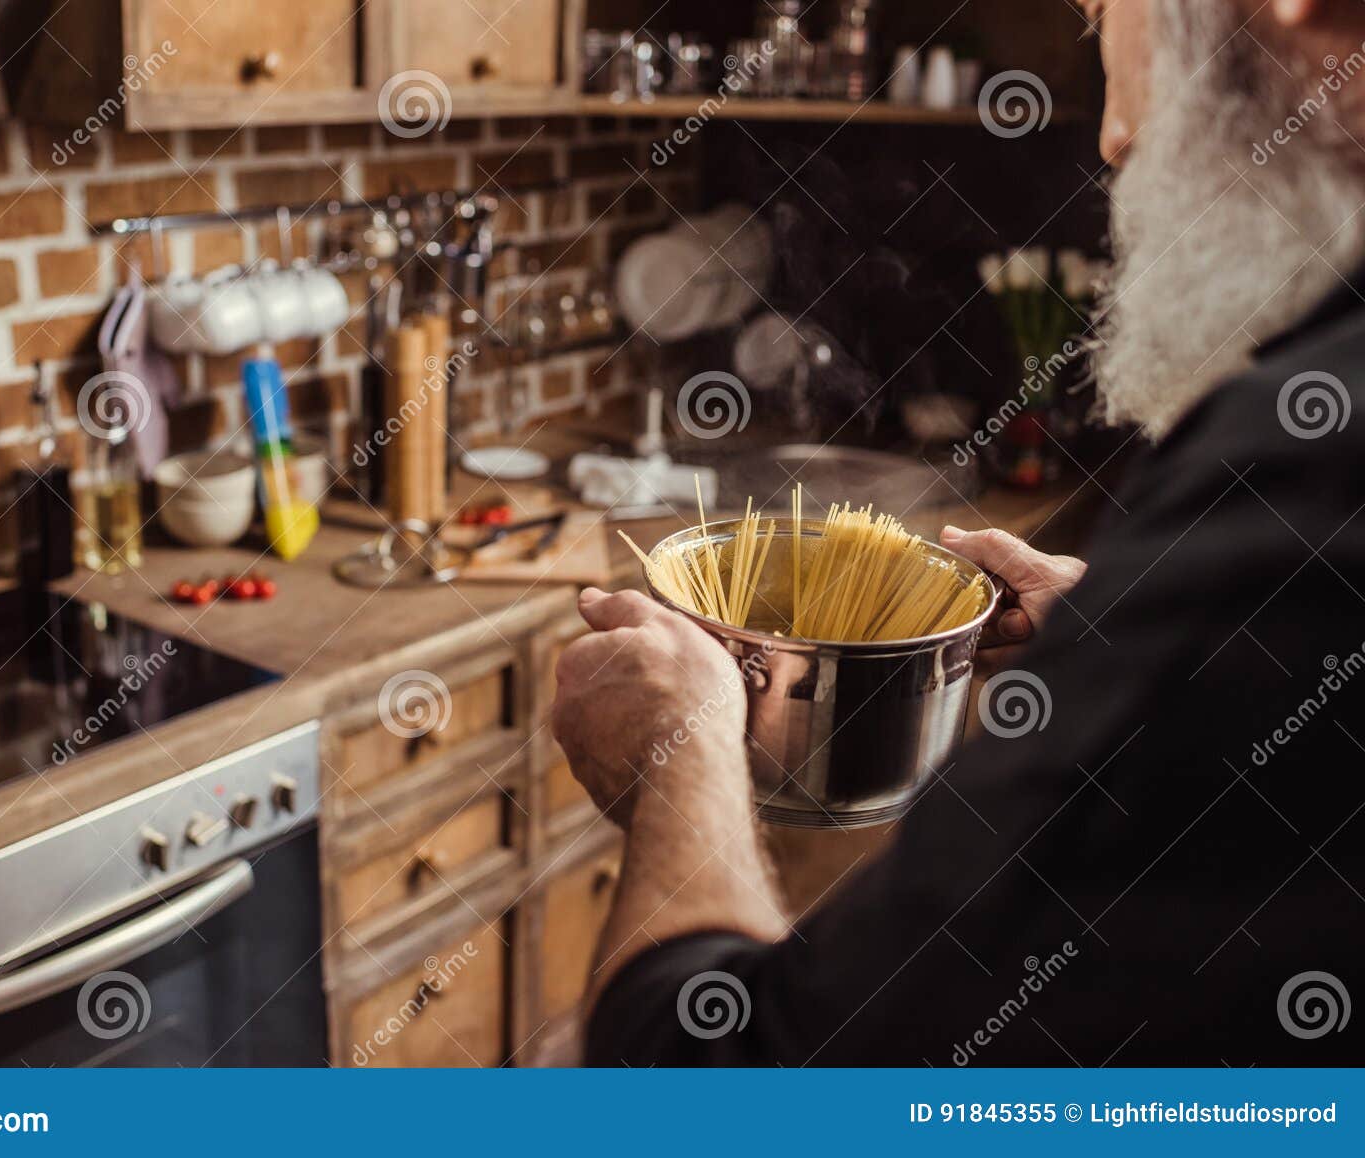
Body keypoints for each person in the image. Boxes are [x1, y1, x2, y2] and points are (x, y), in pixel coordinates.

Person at [551, 0, 1365, 1066]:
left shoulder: (1310, 456)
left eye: (1103, 13)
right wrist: (1134, 641)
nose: (1113, 137)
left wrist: (679, 751)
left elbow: (765, 1086)